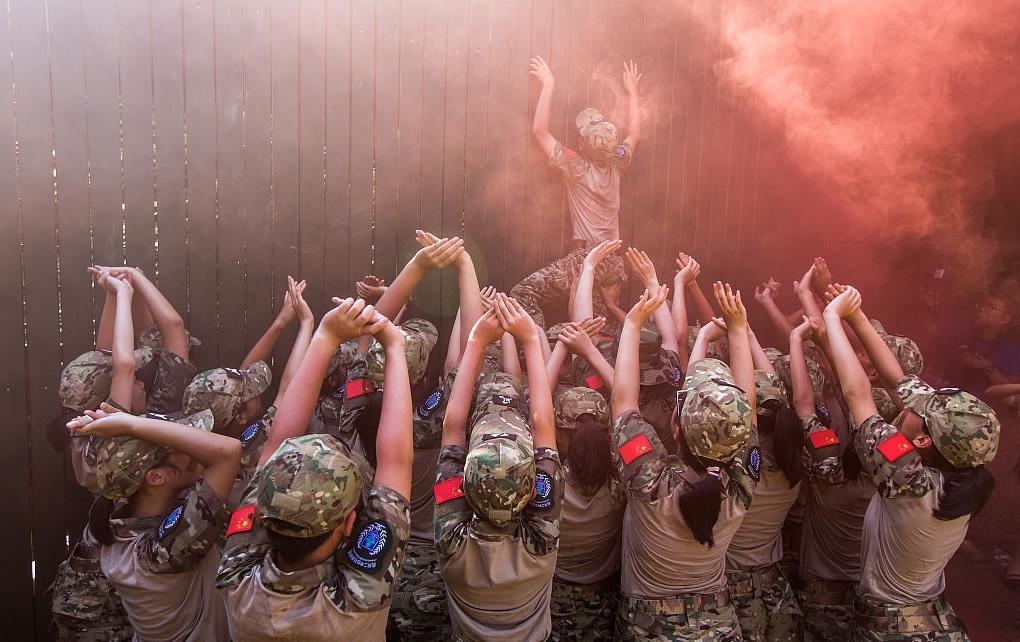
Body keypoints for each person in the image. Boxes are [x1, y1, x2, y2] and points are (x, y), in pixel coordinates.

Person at [216, 296, 413, 640]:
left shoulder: (236, 577)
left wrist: (324, 336)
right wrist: (394, 346)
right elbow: (394, 458)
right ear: (349, 523)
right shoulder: (360, 594)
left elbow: (275, 442)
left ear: (260, 517)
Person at [822, 285, 998, 641]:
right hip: (930, 618)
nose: (907, 405)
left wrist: (831, 320)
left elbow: (857, 393)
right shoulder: (961, 476)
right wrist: (855, 316)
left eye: (917, 411)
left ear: (921, 441)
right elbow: (898, 381)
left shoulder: (908, 479)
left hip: (892, 630)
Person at [611, 282, 757, 641]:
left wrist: (632, 325)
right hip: (720, 627)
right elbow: (745, 415)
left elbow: (623, 403)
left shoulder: (649, 482)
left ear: (674, 428)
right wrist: (739, 332)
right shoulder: (738, 488)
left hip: (648, 630)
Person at [435, 294, 563, 641]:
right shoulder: (542, 541)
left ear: (465, 483)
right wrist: (531, 339)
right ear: (532, 487)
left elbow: (451, 430)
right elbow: (544, 425)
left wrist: (476, 341)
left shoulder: (451, 541)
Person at [65, 406, 240, 641]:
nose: (191, 449)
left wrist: (133, 423)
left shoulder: (120, 522)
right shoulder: (163, 551)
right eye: (180, 446)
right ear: (156, 477)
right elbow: (228, 452)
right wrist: (131, 425)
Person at [507, 56, 643, 331]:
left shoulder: (576, 166)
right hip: (613, 263)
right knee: (596, 328)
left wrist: (549, 83)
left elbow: (539, 131)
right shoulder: (618, 161)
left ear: (582, 144)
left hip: (587, 257)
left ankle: (538, 353)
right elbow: (634, 134)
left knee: (521, 295)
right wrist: (633, 93)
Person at [548, 386, 624, 641]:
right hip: (606, 606)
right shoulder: (621, 486)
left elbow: (532, 421)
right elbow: (631, 418)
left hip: (555, 605)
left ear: (559, 433)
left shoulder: (550, 488)